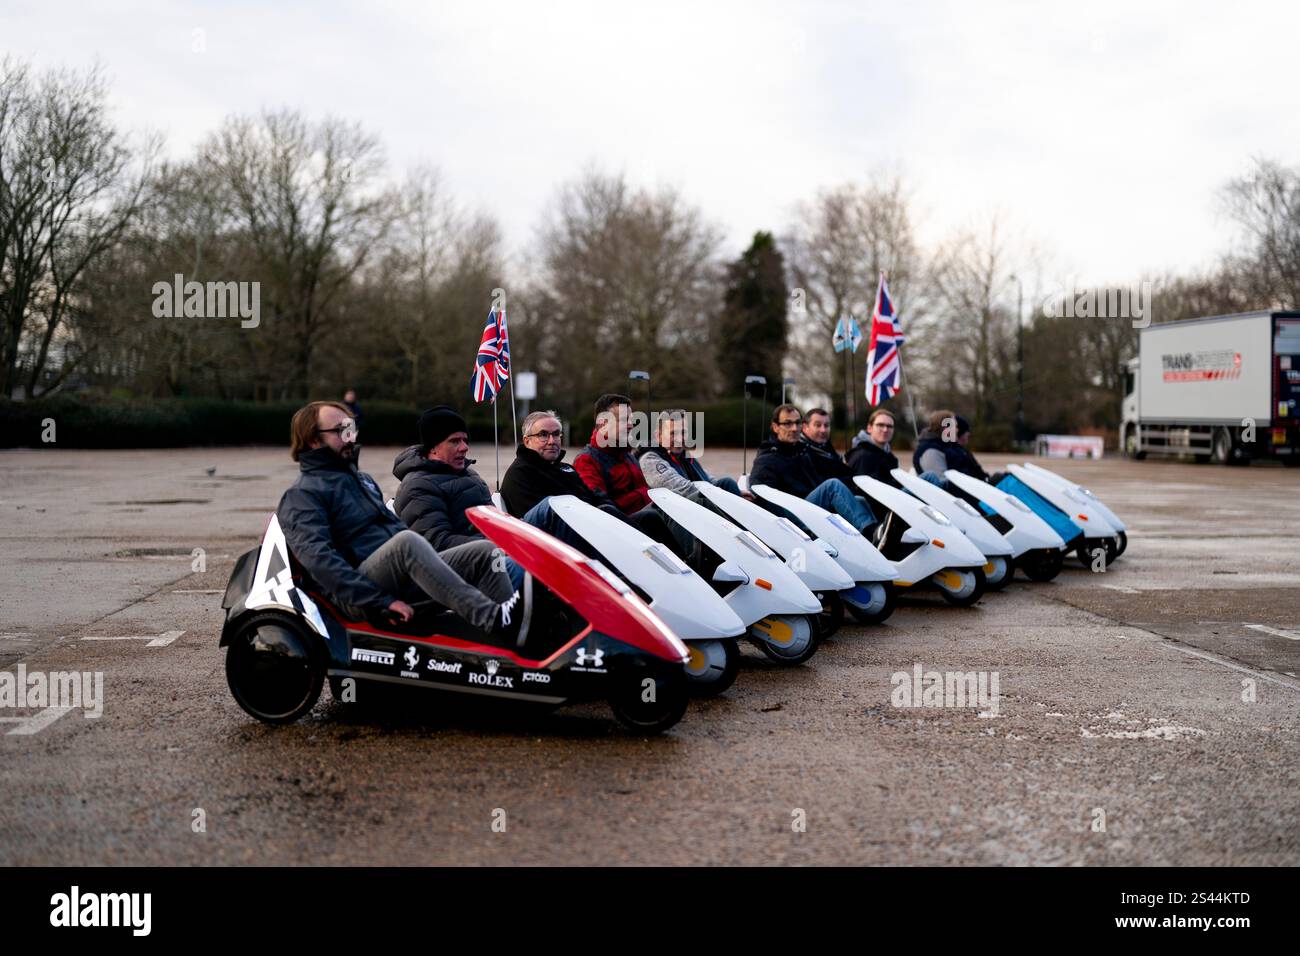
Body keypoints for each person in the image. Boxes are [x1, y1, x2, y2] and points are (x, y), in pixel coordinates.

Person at [275, 400, 518, 635]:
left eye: (351, 429)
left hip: (396, 577)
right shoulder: (302, 495)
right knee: (406, 543)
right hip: (358, 597)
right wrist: (381, 600)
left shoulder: (362, 481)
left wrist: (436, 568)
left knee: (486, 551)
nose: (351, 437)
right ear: (312, 440)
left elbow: (394, 530)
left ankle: (517, 631)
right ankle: (493, 617)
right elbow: (321, 562)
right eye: (341, 431)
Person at [501, 409, 683, 556]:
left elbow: (592, 496)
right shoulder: (519, 475)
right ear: (527, 441)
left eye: (556, 434)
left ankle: (682, 562)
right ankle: (649, 556)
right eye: (543, 435)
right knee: (608, 511)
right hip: (567, 542)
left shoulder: (565, 468)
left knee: (649, 517)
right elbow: (537, 523)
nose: (551, 441)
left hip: (596, 525)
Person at [749, 404, 876, 533]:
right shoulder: (766, 459)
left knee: (860, 499)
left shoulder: (803, 451)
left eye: (797, 423)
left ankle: (876, 540)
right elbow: (762, 494)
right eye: (787, 424)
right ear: (776, 427)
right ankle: (870, 532)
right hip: (793, 516)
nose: (794, 428)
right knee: (832, 486)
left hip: (809, 506)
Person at [393, 406, 494, 552]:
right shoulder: (419, 486)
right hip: (466, 567)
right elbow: (437, 544)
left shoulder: (469, 474)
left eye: (465, 440)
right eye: (455, 441)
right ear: (432, 447)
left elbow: (495, 522)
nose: (464, 447)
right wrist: (498, 545)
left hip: (494, 552)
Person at [636, 408, 742, 504]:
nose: (680, 439)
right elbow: (683, 488)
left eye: (683, 432)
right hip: (675, 511)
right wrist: (724, 496)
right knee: (703, 496)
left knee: (727, 483)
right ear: (658, 436)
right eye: (673, 433)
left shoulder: (683, 456)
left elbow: (707, 479)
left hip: (695, 504)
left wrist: (734, 493)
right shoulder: (650, 459)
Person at [573, 394, 652, 515]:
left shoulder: (627, 455)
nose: (631, 425)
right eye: (624, 420)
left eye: (631, 419)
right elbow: (602, 508)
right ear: (603, 424)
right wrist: (643, 495)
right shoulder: (586, 461)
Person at [913, 410, 992, 487]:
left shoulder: (947, 447)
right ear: (945, 428)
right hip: (958, 496)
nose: (957, 430)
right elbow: (941, 485)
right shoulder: (931, 451)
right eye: (955, 426)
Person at [799, 406, 858, 488]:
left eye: (826, 425)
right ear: (805, 427)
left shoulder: (826, 447)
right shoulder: (802, 452)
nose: (823, 430)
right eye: (818, 425)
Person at [846, 408, 901, 486]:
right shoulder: (862, 456)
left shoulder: (891, 457)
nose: (885, 429)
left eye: (889, 426)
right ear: (869, 428)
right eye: (880, 425)